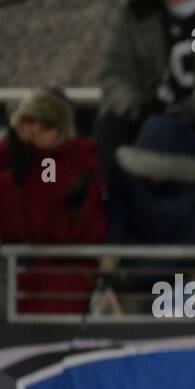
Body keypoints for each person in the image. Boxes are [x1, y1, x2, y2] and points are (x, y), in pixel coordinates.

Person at [96, 0, 195, 241]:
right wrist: (137, 107)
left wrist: (190, 109)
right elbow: (114, 75)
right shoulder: (134, 13)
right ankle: (115, 236)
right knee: (110, 126)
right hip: (145, 117)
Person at [0, 89, 106, 315]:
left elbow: (48, 220)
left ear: (60, 132)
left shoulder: (67, 163)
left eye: (46, 125)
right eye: (28, 122)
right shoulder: (9, 156)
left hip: (60, 268)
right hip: (15, 265)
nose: (35, 130)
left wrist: (21, 177)